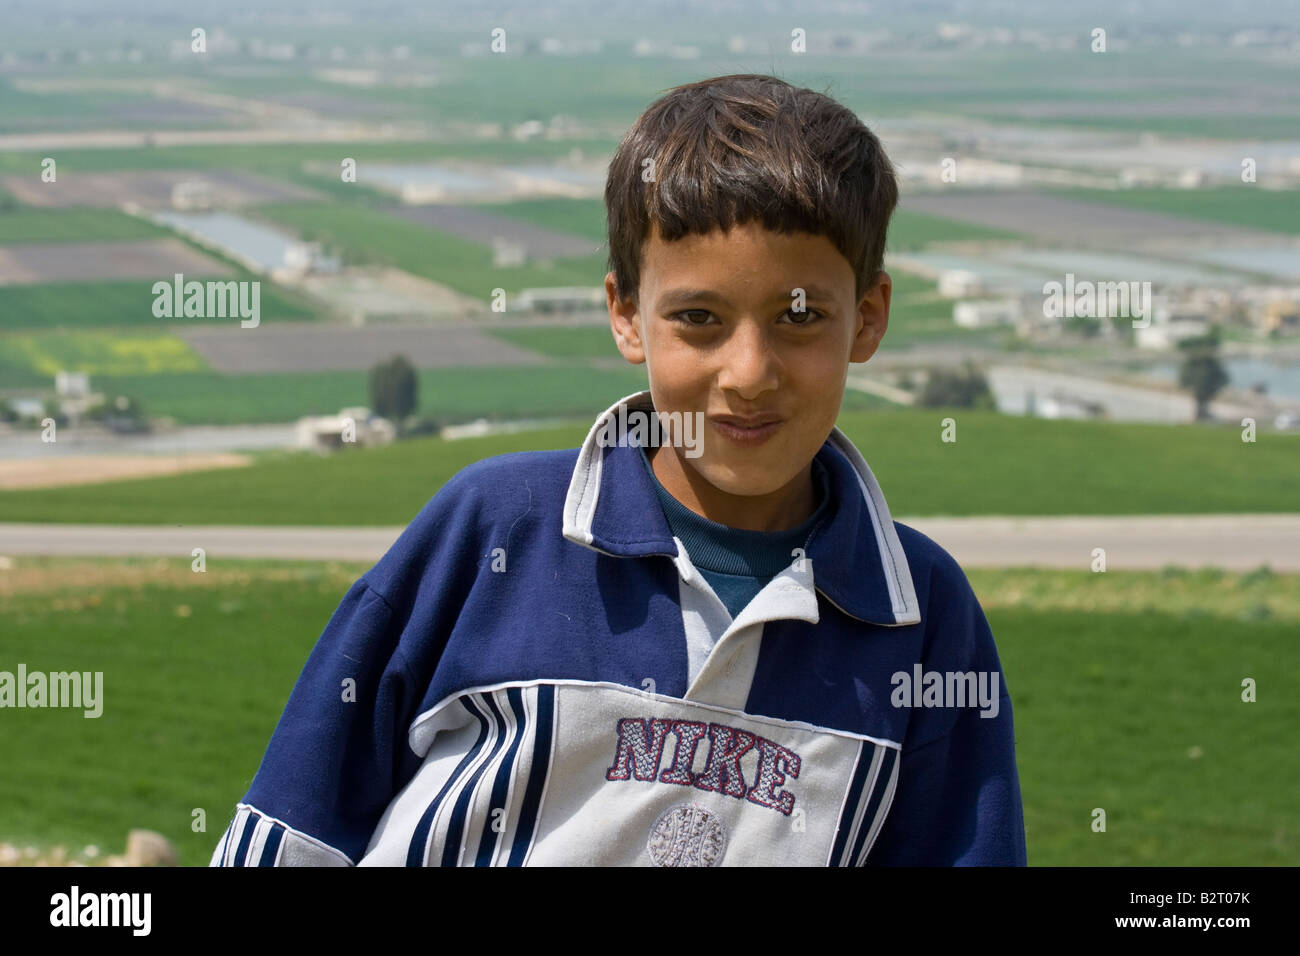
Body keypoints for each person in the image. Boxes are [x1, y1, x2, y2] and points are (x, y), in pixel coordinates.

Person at [211, 73, 1026, 867]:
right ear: (627, 315)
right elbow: (294, 831)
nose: (749, 371)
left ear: (870, 317)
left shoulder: (920, 620)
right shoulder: (495, 530)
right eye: (699, 319)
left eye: (799, 317)